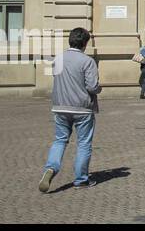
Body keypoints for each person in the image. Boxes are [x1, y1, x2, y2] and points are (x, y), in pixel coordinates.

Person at [39, 27, 102, 192]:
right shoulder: (87, 61)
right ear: (85, 43)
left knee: (60, 140)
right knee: (83, 144)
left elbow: (56, 78)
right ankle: (81, 180)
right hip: (82, 108)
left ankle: (50, 168)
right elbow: (92, 86)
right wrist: (99, 89)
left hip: (60, 106)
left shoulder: (57, 59)